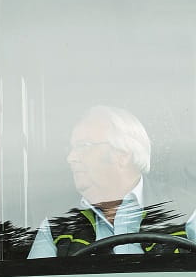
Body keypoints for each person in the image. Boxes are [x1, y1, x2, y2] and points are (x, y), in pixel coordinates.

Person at [29, 105, 194, 258]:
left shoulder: (187, 210)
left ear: (123, 154)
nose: (70, 158)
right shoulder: (57, 224)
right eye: (71, 148)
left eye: (83, 146)